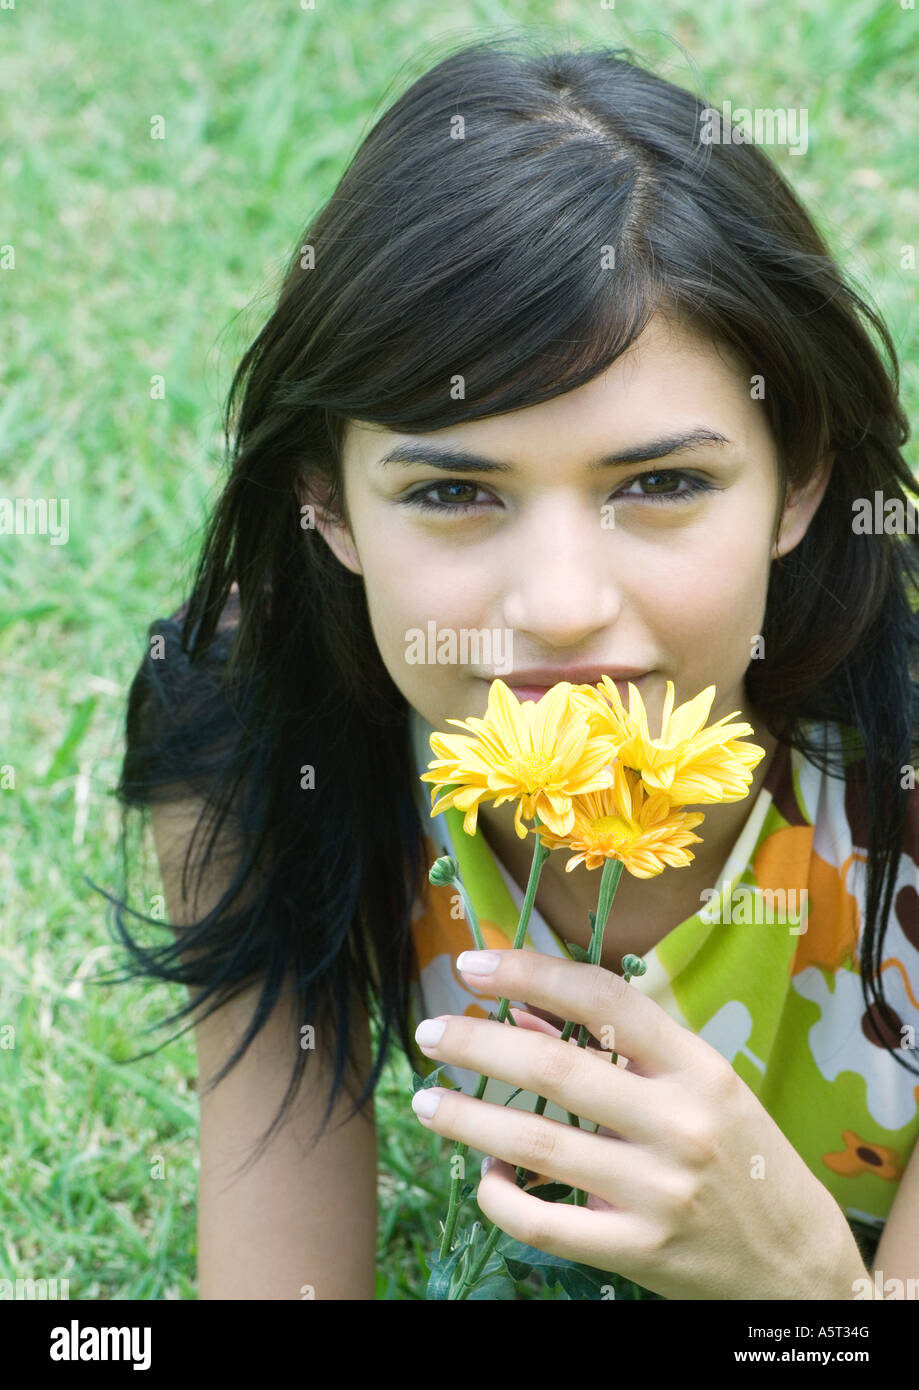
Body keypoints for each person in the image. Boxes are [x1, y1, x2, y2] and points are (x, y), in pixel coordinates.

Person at [99, 36, 919, 1299]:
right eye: (451, 491)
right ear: (326, 504)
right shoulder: (255, 741)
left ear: (798, 480)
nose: (559, 606)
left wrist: (808, 1292)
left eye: (660, 483)